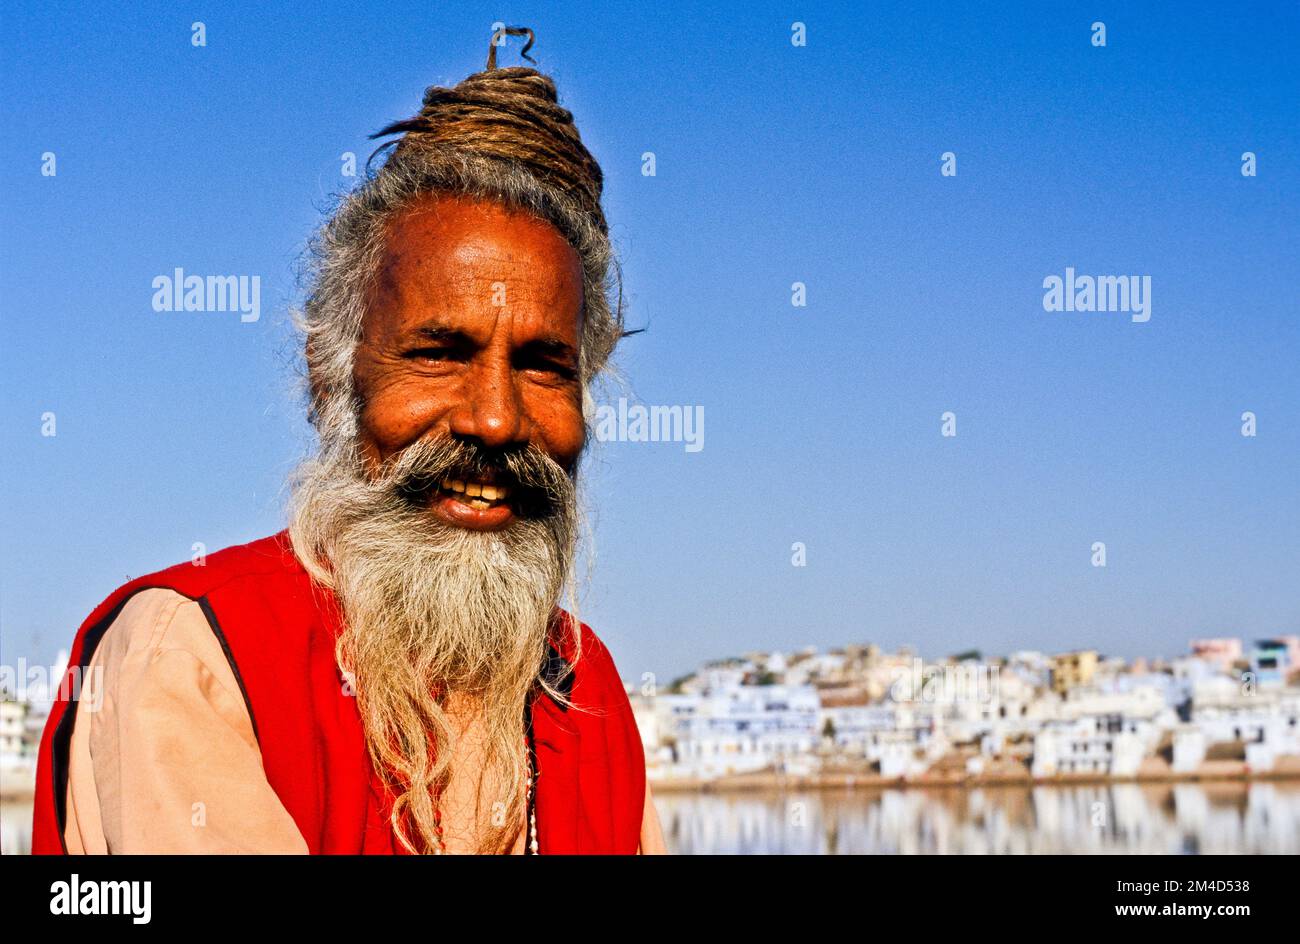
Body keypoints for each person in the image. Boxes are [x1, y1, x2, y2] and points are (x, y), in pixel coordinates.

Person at [32, 27, 666, 855]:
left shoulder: (587, 693)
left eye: (545, 366)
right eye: (439, 354)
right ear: (331, 376)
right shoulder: (188, 653)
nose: (497, 420)